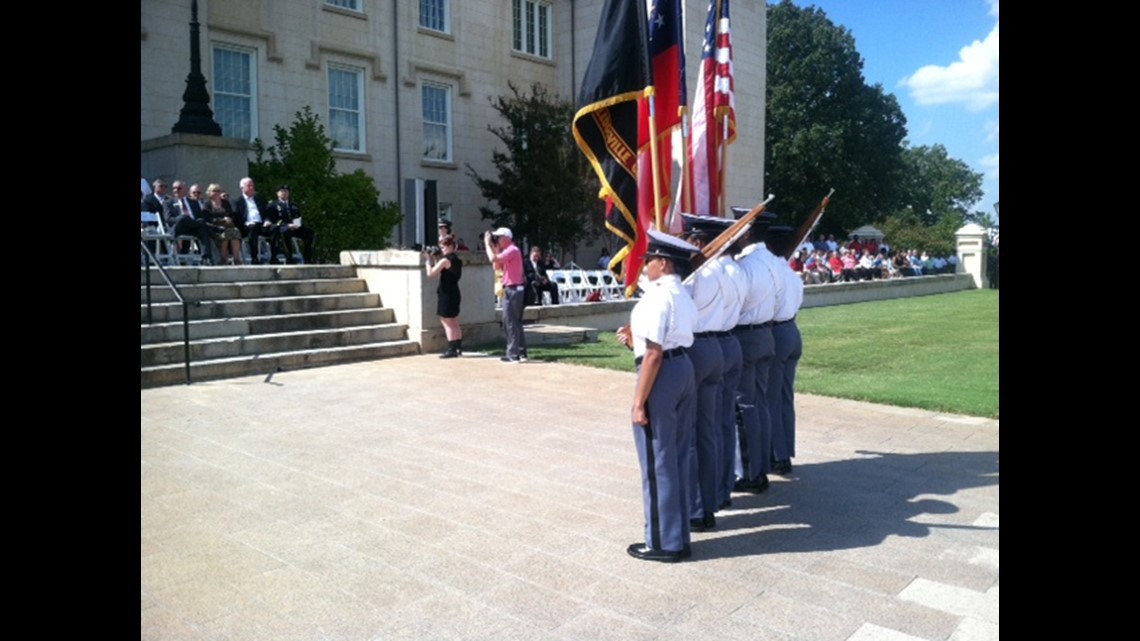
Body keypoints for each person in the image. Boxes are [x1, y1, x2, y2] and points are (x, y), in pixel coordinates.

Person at [616, 228, 699, 562]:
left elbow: (653, 353)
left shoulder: (656, 296)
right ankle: (678, 534)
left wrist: (638, 402)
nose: (646, 264)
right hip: (682, 369)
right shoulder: (682, 294)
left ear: (663, 263)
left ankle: (662, 542)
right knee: (677, 457)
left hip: (661, 374)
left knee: (657, 460)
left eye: (650, 259)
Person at [764, 226, 804, 476]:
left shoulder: (772, 272)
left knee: (771, 398)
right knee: (784, 397)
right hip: (791, 330)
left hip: (777, 332)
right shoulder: (791, 274)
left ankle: (777, 455)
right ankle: (785, 450)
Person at [484, 226, 527, 363]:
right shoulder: (510, 251)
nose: (499, 240)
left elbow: (492, 259)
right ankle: (520, 351)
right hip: (513, 289)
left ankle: (513, 354)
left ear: (507, 238)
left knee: (510, 321)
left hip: (513, 289)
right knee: (514, 321)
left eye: (500, 238)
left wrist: (486, 244)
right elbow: (496, 266)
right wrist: (494, 247)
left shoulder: (512, 250)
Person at [425, 235, 464, 358]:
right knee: (454, 320)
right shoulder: (456, 259)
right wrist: (436, 258)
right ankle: (457, 347)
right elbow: (443, 271)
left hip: (446, 293)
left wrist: (427, 261)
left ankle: (451, 349)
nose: (443, 249)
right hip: (454, 291)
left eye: (445, 246)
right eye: (442, 246)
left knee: (446, 321)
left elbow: (431, 274)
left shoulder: (445, 260)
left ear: (451, 246)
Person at [164, 180, 221, 265]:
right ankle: (212, 228)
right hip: (179, 228)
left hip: (193, 228)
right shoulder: (168, 202)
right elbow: (168, 219)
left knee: (202, 229)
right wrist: (182, 218)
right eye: (174, 188)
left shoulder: (193, 202)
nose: (176, 190)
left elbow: (200, 217)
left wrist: (196, 222)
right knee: (184, 218)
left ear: (185, 190)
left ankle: (206, 258)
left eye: (179, 188)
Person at [266, 185, 314, 264]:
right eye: (282, 191)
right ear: (277, 193)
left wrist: (296, 225)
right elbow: (274, 219)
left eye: (286, 191)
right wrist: (287, 225)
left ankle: (307, 257)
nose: (284, 193)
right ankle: (289, 256)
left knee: (309, 233)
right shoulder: (273, 205)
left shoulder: (294, 205)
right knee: (286, 233)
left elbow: (297, 216)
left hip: (294, 227)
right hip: (281, 228)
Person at [232, 177, 271, 264]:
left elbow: (267, 213)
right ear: (242, 188)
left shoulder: (259, 200)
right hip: (247, 227)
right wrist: (247, 223)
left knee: (275, 228)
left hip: (261, 225)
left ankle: (274, 257)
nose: (252, 187)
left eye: (252, 185)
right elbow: (236, 217)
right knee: (253, 229)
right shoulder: (237, 201)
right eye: (249, 186)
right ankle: (255, 257)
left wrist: (267, 220)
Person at [202, 183, 243, 265]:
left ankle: (236, 258)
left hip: (228, 227)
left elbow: (231, 215)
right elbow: (207, 219)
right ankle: (223, 258)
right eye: (214, 191)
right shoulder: (207, 204)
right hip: (215, 228)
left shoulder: (225, 203)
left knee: (235, 231)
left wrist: (230, 219)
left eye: (218, 191)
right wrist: (222, 220)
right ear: (209, 192)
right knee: (226, 233)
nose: (217, 193)